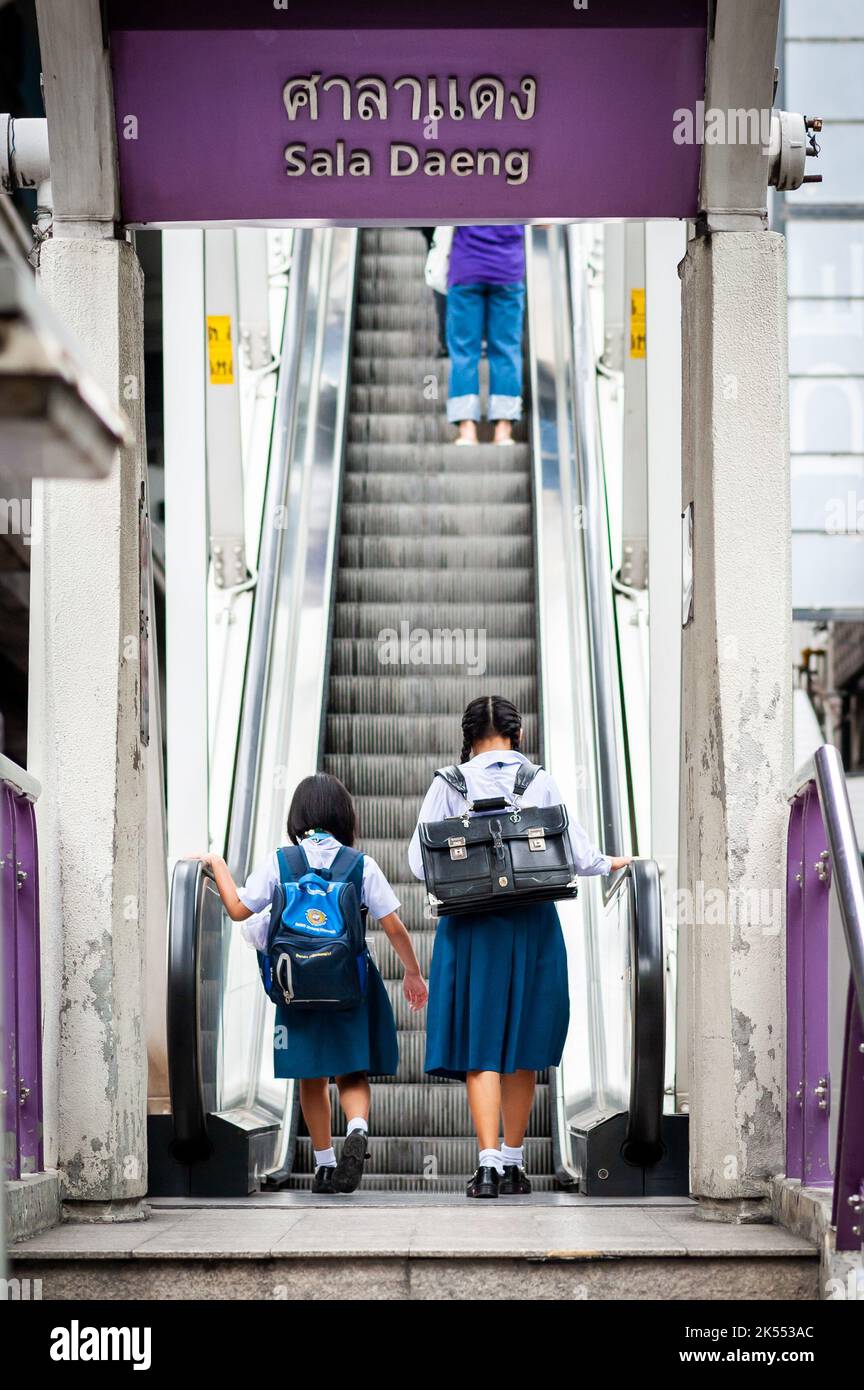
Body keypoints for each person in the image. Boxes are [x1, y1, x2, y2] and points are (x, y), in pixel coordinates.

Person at [408, 696, 631, 1200]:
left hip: (470, 926)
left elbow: (419, 863)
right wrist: (616, 862)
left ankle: (485, 1166)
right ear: (518, 734)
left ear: (467, 736)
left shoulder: (448, 784)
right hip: (531, 923)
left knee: (480, 1043)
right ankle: (513, 1164)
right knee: (524, 1043)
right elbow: (577, 853)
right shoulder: (538, 780)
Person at [192, 772, 428, 1195]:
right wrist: (413, 972)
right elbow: (394, 926)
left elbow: (237, 911)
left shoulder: (280, 861)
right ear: (344, 816)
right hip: (349, 984)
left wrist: (217, 863)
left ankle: (324, 1166)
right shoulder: (361, 865)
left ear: (298, 816)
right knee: (351, 1071)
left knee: (311, 1076)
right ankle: (356, 1128)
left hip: (294, 985)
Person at [446, 225, 525, 446]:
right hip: (507, 269)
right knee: (506, 349)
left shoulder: (461, 187)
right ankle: (503, 430)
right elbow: (545, 221)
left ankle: (467, 431)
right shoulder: (522, 188)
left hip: (466, 267)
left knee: (464, 351)